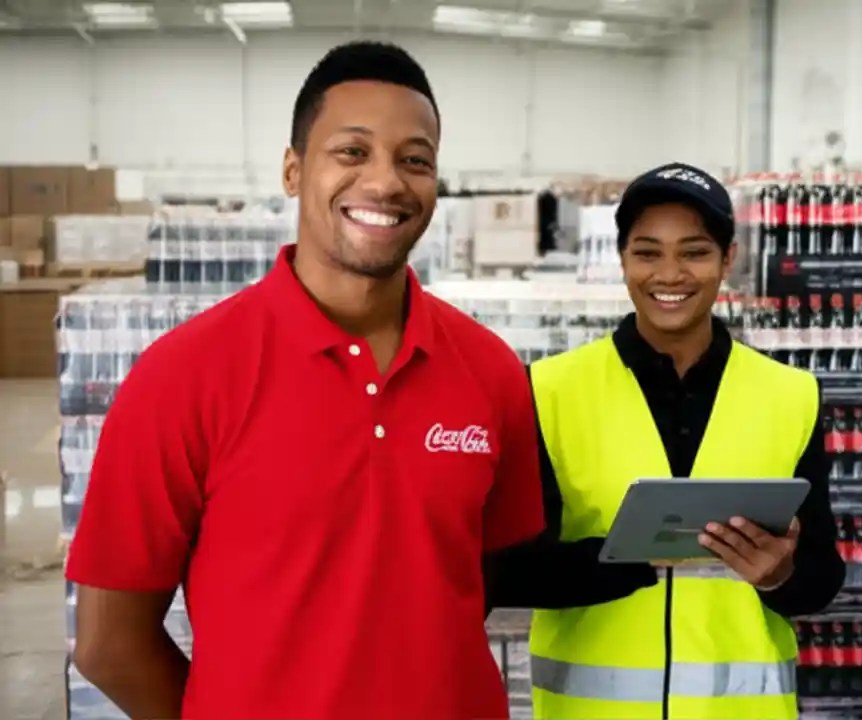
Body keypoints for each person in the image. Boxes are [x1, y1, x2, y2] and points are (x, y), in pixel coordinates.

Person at [65, 41, 544, 719]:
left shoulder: (489, 369)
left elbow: (476, 577)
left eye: (416, 159)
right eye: (352, 151)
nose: (385, 182)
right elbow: (109, 646)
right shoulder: (182, 377)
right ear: (293, 171)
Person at [485, 162, 845, 719]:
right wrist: (631, 560)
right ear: (623, 258)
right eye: (648, 252)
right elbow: (505, 570)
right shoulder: (548, 389)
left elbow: (822, 574)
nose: (669, 274)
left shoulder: (790, 395)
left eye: (694, 252)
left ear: (728, 260)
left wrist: (780, 576)